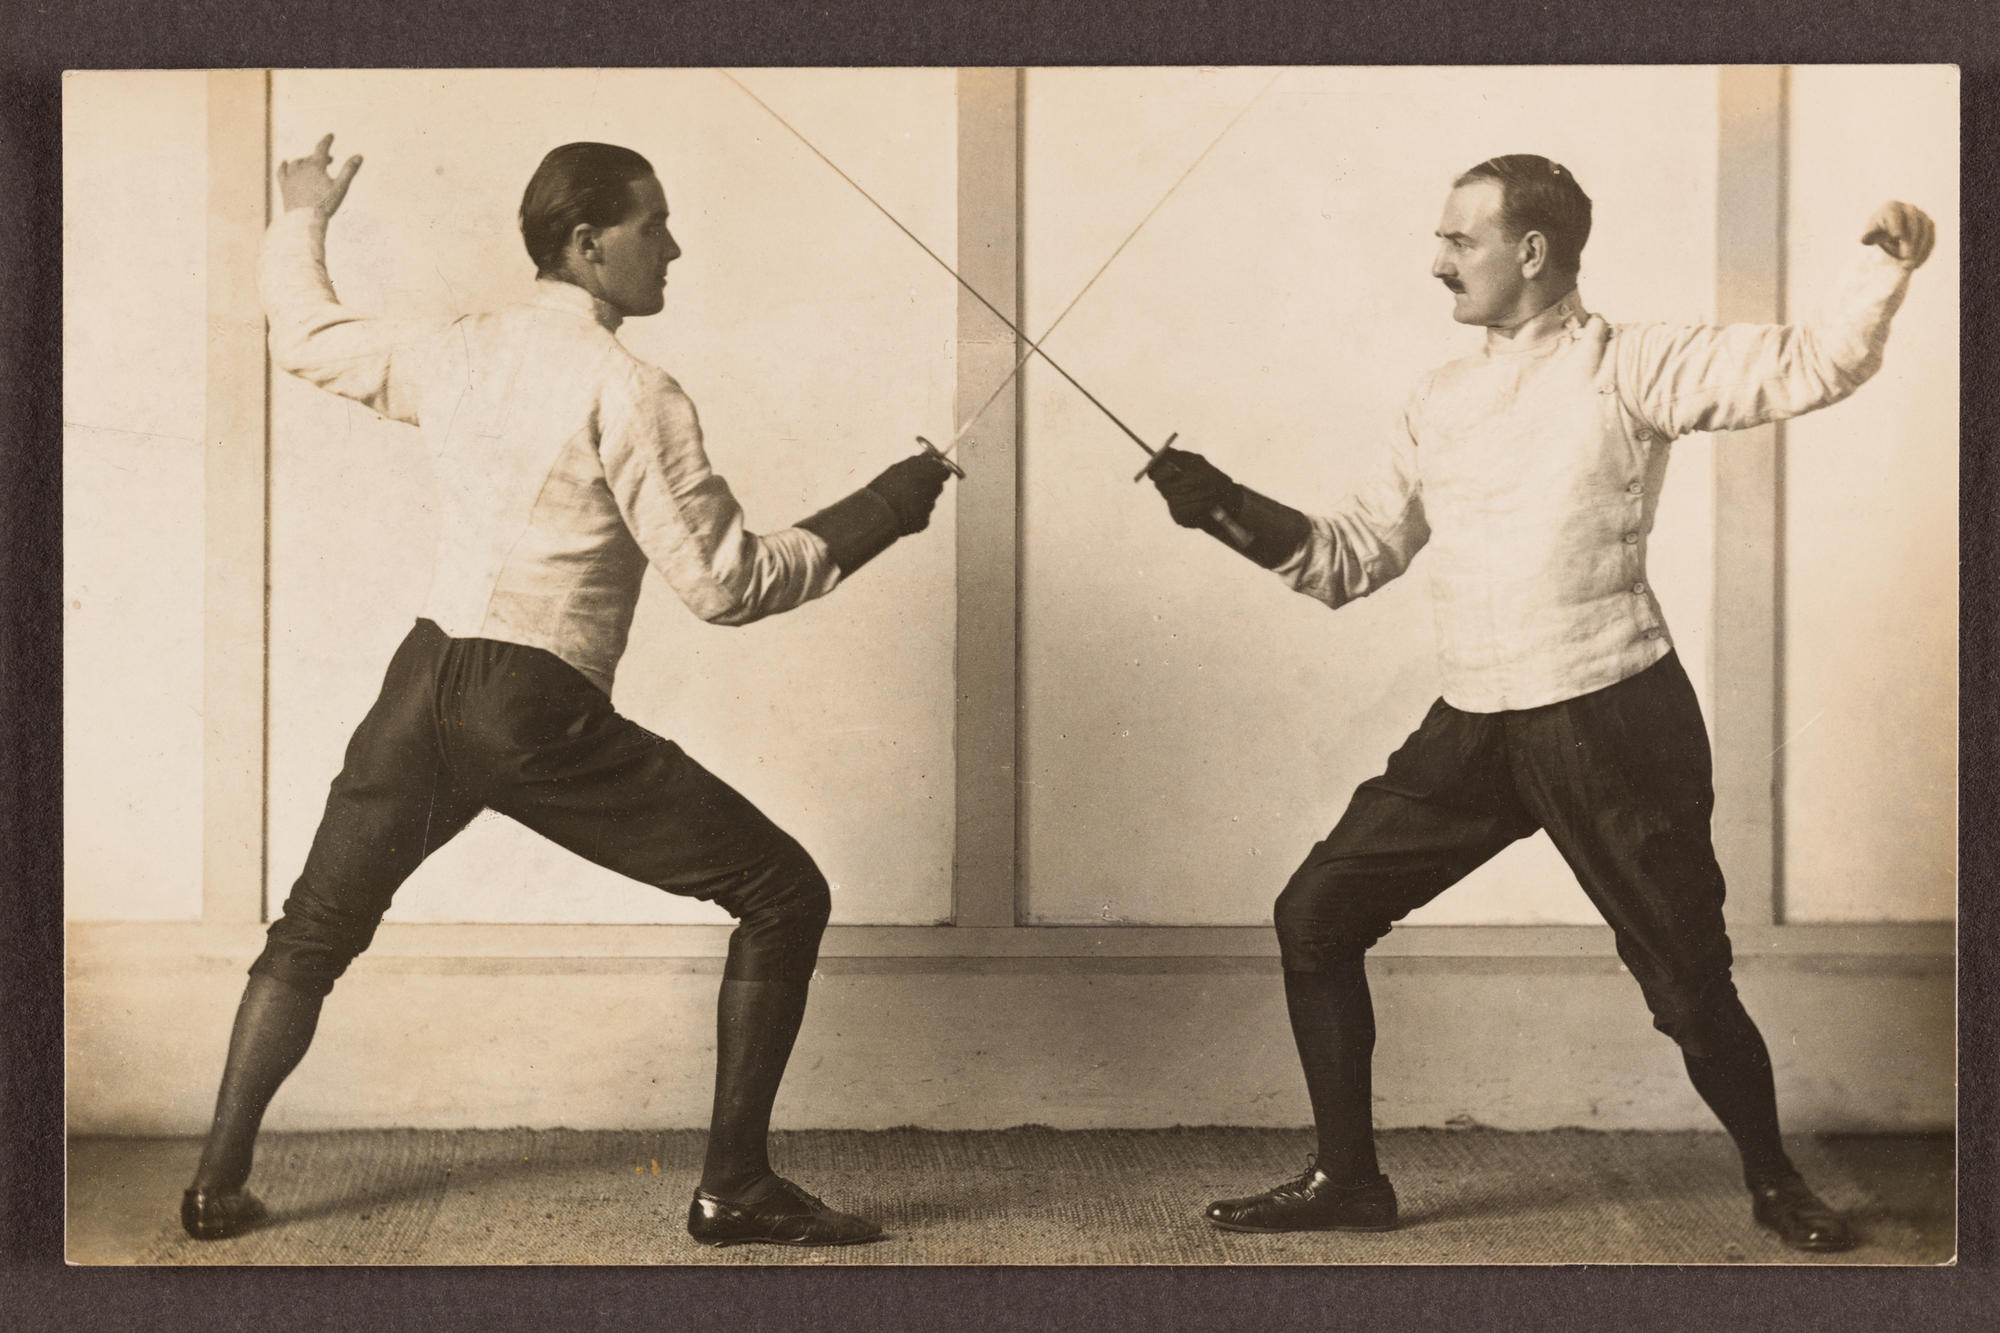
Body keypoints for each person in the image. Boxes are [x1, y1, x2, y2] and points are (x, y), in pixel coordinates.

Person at [1145, 154, 1934, 1252]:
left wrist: (1880, 267)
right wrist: (1222, 507)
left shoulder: (1628, 365)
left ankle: (1773, 1179)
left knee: (1682, 981)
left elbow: (1808, 363)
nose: (1435, 263)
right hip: (1475, 720)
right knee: (1314, 914)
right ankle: (1348, 1179)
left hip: (1608, 711)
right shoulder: (1436, 398)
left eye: (1456, 241)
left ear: (1530, 250)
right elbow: (1345, 558)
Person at [181, 135, 954, 1248]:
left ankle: (215, 1185)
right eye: (654, 225)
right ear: (590, 247)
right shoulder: (631, 389)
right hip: (525, 701)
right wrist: (884, 505)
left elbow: (304, 336)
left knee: (313, 931)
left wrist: (302, 215)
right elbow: (728, 586)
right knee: (783, 892)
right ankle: (732, 1188)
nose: (674, 248)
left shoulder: (459, 347)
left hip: (423, 681)